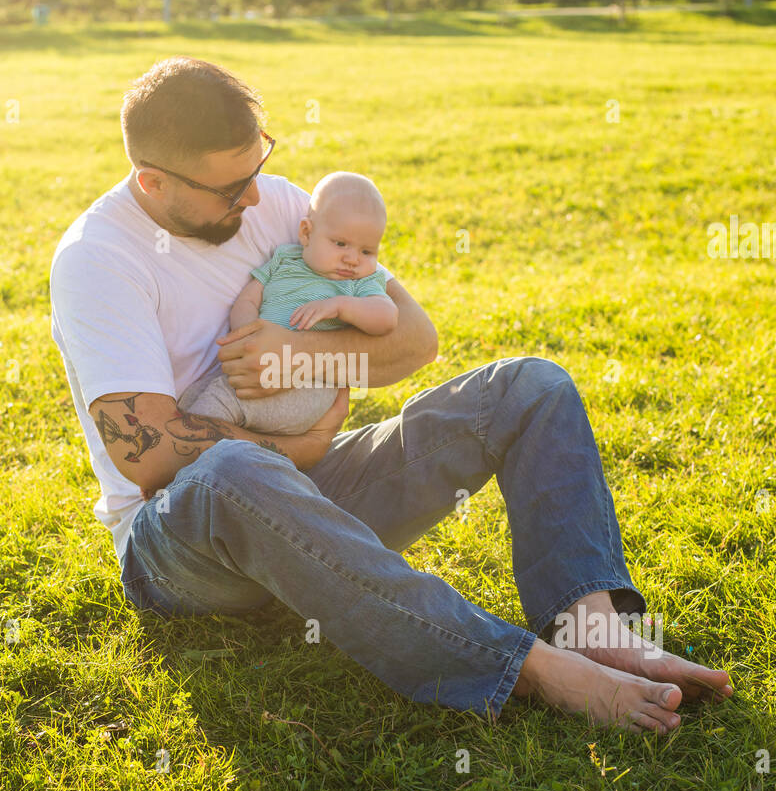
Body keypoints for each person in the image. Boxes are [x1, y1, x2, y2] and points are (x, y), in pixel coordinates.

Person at [49, 56, 733, 730]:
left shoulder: (285, 205)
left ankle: (591, 626)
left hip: (309, 494)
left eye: (257, 169)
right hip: (185, 549)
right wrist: (301, 443)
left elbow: (413, 338)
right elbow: (153, 456)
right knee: (233, 470)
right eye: (231, 189)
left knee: (530, 386)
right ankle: (532, 670)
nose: (254, 197)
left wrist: (300, 356)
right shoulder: (98, 260)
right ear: (153, 181)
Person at [178, 170, 397, 436]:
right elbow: (248, 298)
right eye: (341, 244)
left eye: (367, 251)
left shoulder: (360, 283)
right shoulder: (284, 259)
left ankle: (190, 450)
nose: (352, 259)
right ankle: (201, 451)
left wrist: (341, 306)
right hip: (257, 367)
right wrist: (249, 334)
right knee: (191, 398)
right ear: (306, 233)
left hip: (307, 386)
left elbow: (387, 317)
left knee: (220, 401)